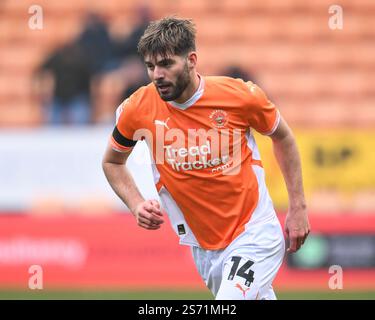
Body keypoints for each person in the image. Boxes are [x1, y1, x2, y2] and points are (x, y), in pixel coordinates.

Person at [102, 17, 310, 300]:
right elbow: (113, 161)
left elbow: (283, 137)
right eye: (150, 66)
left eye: (166, 64)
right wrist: (136, 203)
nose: (157, 75)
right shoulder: (137, 108)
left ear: (191, 60)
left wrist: (298, 207)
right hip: (203, 247)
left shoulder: (239, 96)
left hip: (254, 232)